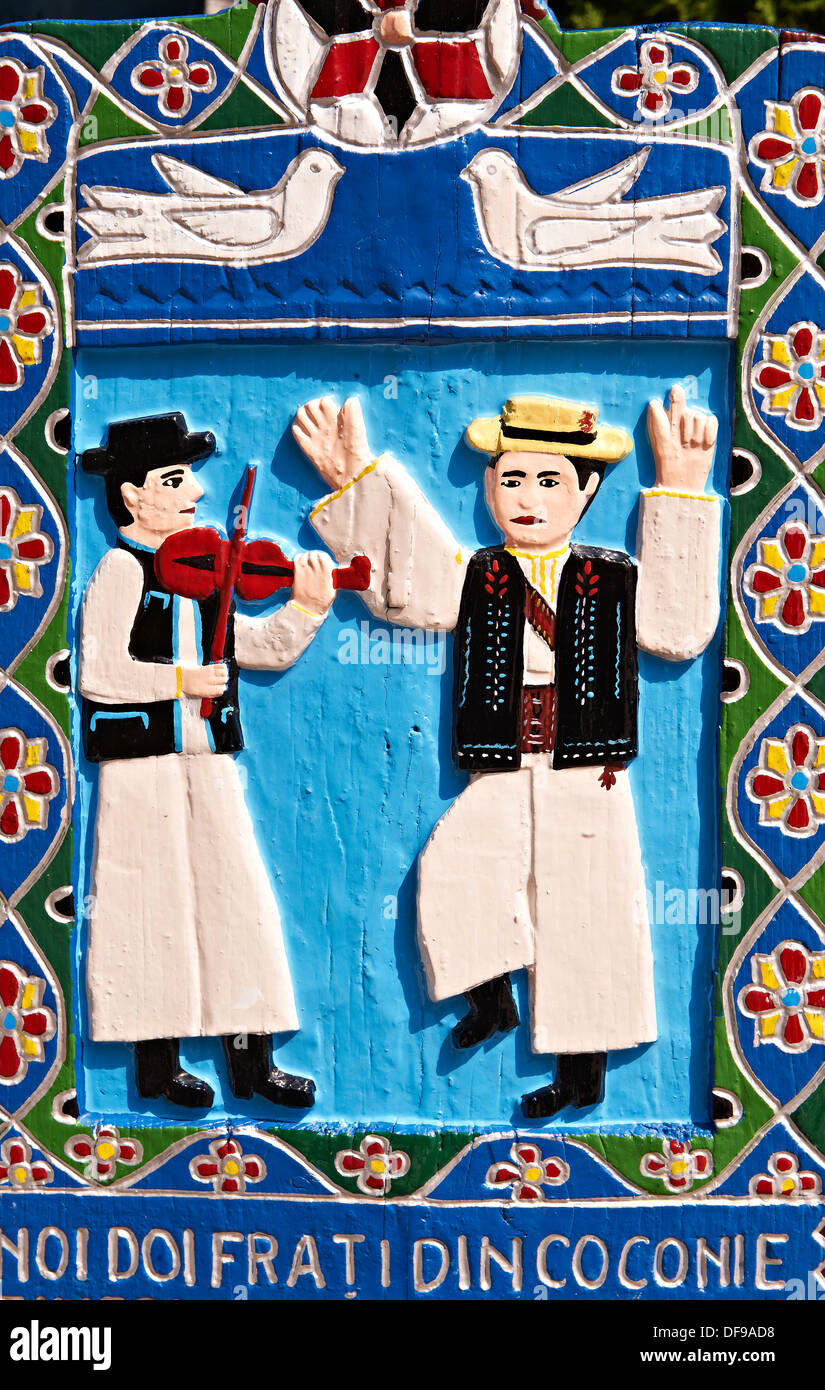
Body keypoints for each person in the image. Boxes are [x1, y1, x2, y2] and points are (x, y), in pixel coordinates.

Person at [293, 387, 721, 1118]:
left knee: (588, 914)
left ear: (586, 489)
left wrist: (679, 489)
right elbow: (411, 585)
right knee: (453, 870)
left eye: (547, 479)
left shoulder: (612, 576)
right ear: (490, 485)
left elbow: (676, 630)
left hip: (589, 767)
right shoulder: (482, 574)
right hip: (505, 758)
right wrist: (353, 478)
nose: (524, 497)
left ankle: (582, 1075)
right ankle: (493, 1001)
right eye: (509, 477)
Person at [78, 412, 335, 1109]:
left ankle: (251, 1062)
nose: (193, 489)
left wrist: (307, 609)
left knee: (236, 901)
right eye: (174, 478)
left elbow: (255, 647)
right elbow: (99, 671)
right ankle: (157, 1066)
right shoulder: (120, 569)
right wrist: (179, 681)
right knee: (144, 907)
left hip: (206, 760)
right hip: (142, 766)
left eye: (189, 475)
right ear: (133, 496)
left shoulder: (203, 569)